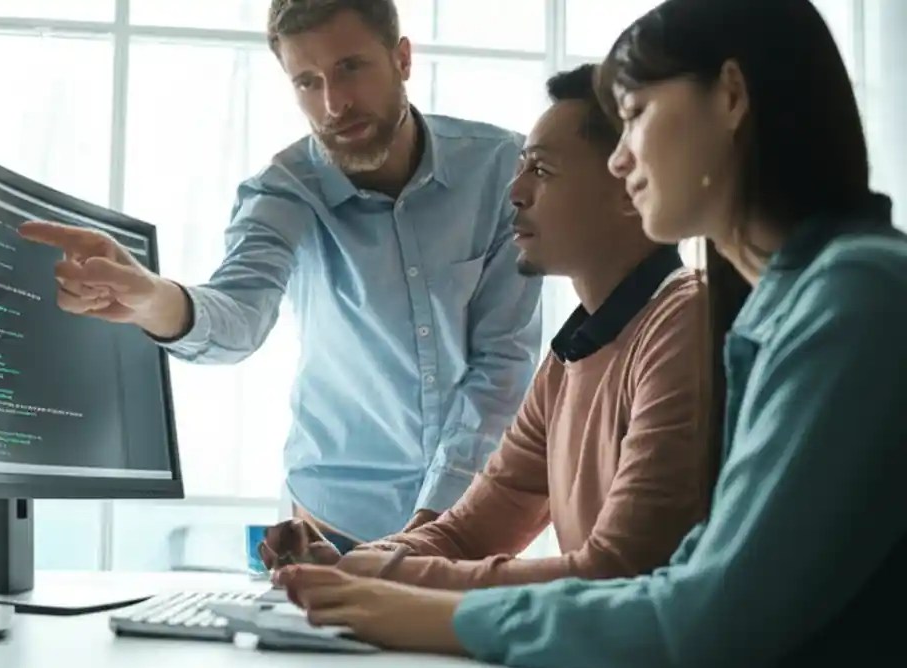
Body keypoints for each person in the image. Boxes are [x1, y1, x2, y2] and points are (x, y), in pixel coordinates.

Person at [274, 0, 907, 668]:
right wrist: (360, 575)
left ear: (731, 97)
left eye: (634, 113)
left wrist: (411, 611)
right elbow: (688, 585)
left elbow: (698, 617)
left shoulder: (853, 298)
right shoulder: (781, 308)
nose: (620, 156)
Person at [18, 0, 542, 545]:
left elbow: (503, 360)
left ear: (402, 58)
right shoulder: (283, 189)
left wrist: (440, 516)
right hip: (334, 526)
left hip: (469, 520)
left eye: (350, 68)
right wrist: (153, 298)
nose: (333, 103)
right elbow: (240, 312)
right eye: (307, 82)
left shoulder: (501, 170)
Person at [260, 63, 739, 590]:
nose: (514, 191)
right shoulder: (568, 359)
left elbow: (617, 569)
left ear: (629, 182)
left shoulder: (683, 327)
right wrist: (343, 564)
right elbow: (465, 534)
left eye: (541, 170)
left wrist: (368, 572)